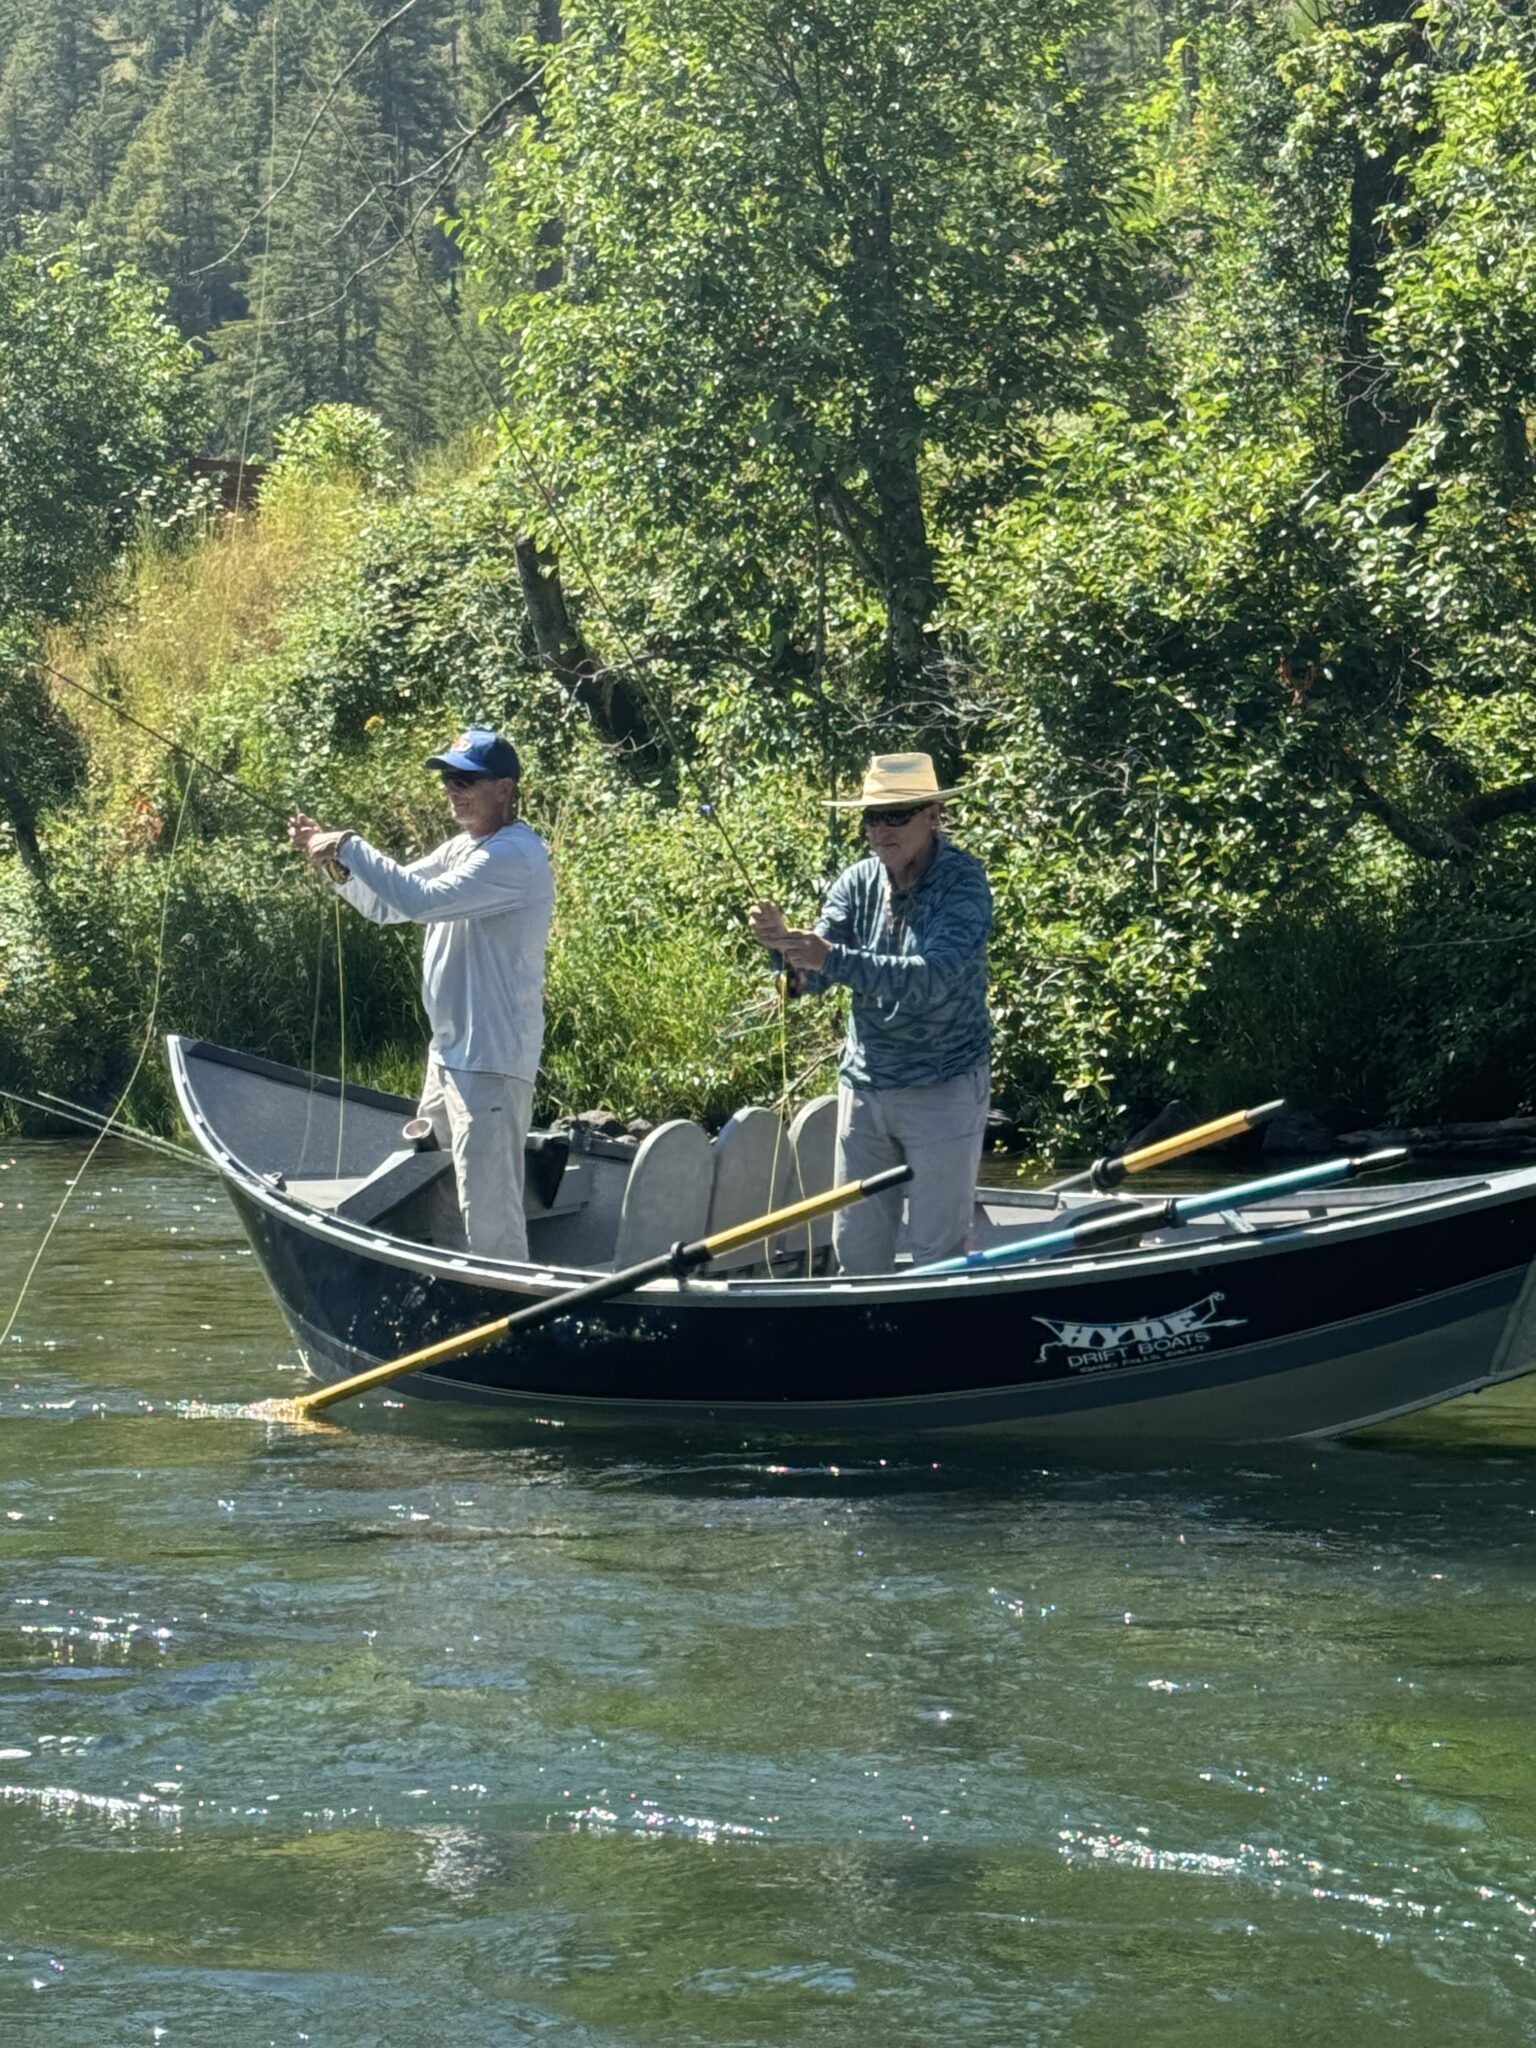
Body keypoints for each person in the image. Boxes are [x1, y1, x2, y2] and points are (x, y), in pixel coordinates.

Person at [287, 727, 554, 1263]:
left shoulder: (515, 856)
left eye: (466, 780)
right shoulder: (462, 847)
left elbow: (422, 899)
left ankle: (508, 1317)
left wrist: (348, 843)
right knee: (442, 1200)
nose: (453, 790)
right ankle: (461, 1316)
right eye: (448, 780)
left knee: (489, 1215)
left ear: (505, 789)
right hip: (449, 1058)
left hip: (492, 1064)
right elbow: (391, 905)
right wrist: (333, 865)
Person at [747, 752, 992, 1274]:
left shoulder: (964, 883)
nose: (881, 830)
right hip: (864, 1091)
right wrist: (783, 948)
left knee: (936, 1255)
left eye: (896, 815)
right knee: (855, 1252)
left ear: (933, 815)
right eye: (872, 817)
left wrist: (829, 958)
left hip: (943, 1089)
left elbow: (932, 978)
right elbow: (810, 979)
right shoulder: (855, 883)